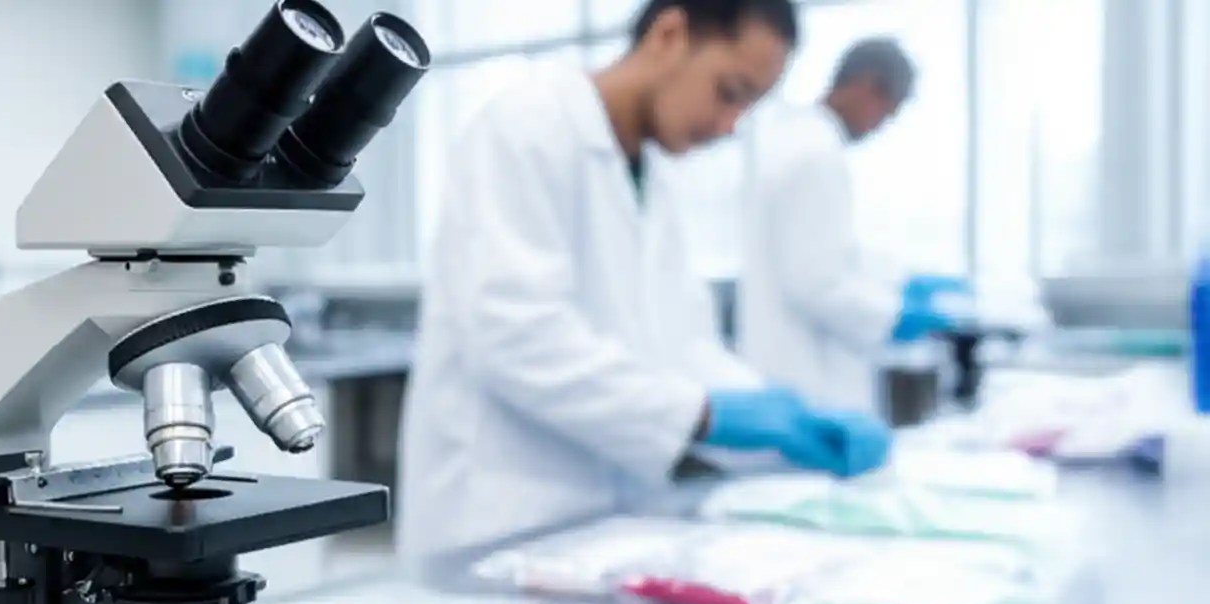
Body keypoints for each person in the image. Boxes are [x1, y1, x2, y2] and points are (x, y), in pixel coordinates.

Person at [399, 0, 891, 561]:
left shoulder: (657, 180)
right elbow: (514, 338)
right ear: (669, 34)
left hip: (603, 529)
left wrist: (785, 419)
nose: (730, 126)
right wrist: (707, 415)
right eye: (729, 92)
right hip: (496, 522)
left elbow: (686, 347)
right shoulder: (527, 126)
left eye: (749, 107)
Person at [738, 38, 971, 415]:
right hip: (808, 383)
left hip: (794, 372)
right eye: (888, 110)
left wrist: (897, 282)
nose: (882, 125)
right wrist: (894, 316)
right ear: (865, 86)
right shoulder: (815, 156)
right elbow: (816, 282)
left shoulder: (799, 142)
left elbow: (826, 254)